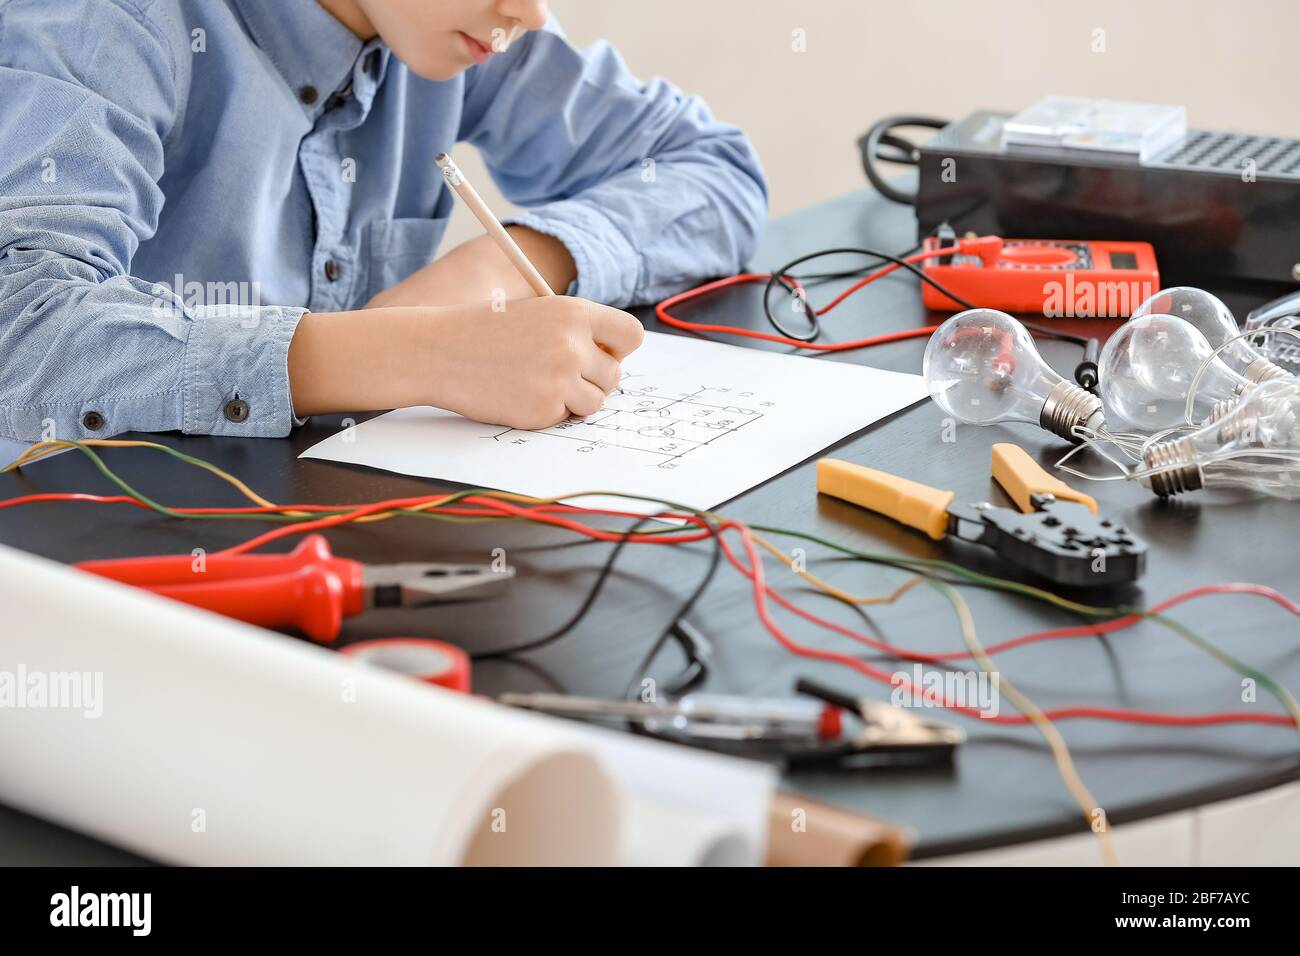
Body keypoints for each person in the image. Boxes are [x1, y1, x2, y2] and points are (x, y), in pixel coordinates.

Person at [0, 0, 766, 441]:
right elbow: (20, 329)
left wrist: (495, 269)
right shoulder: (103, 23)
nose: (531, 12)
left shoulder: (461, 24)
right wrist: (410, 353)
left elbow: (709, 168)